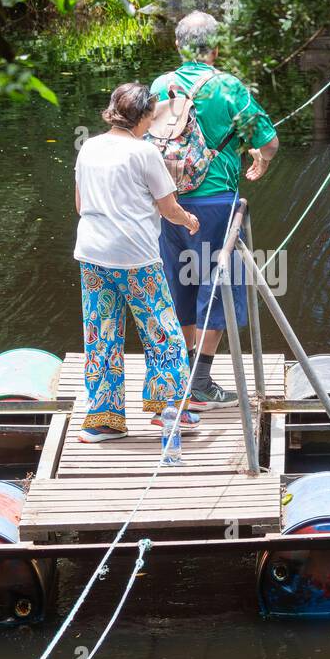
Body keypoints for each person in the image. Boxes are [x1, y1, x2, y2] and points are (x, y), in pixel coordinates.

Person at [151, 11, 280, 407]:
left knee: (179, 284)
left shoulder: (160, 85)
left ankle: (186, 372)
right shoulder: (228, 87)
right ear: (217, 48)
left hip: (167, 202)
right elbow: (269, 140)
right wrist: (261, 158)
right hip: (215, 203)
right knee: (218, 284)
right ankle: (202, 380)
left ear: (177, 46)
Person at [74, 82, 202, 443]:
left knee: (101, 334)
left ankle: (103, 421)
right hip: (135, 259)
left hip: (92, 255)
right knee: (163, 332)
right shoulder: (145, 153)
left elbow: (81, 206)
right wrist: (189, 221)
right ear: (144, 116)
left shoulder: (89, 148)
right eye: (151, 115)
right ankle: (169, 412)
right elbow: (169, 208)